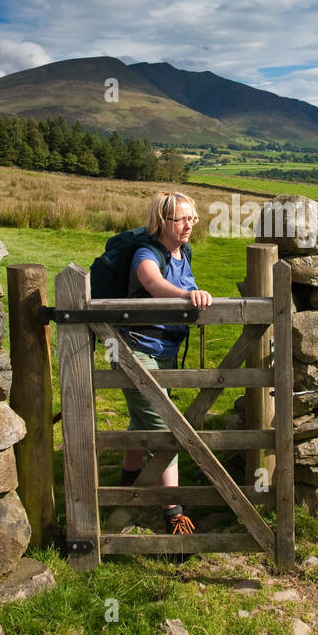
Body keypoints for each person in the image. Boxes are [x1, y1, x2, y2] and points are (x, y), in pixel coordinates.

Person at [114, 190, 212, 535]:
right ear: (161, 222)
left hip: (165, 352)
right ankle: (173, 513)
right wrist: (186, 295)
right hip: (135, 352)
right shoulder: (147, 253)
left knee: (142, 420)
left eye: (193, 218)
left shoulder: (183, 253)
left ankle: (126, 486)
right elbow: (153, 284)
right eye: (182, 219)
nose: (190, 225)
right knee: (165, 428)